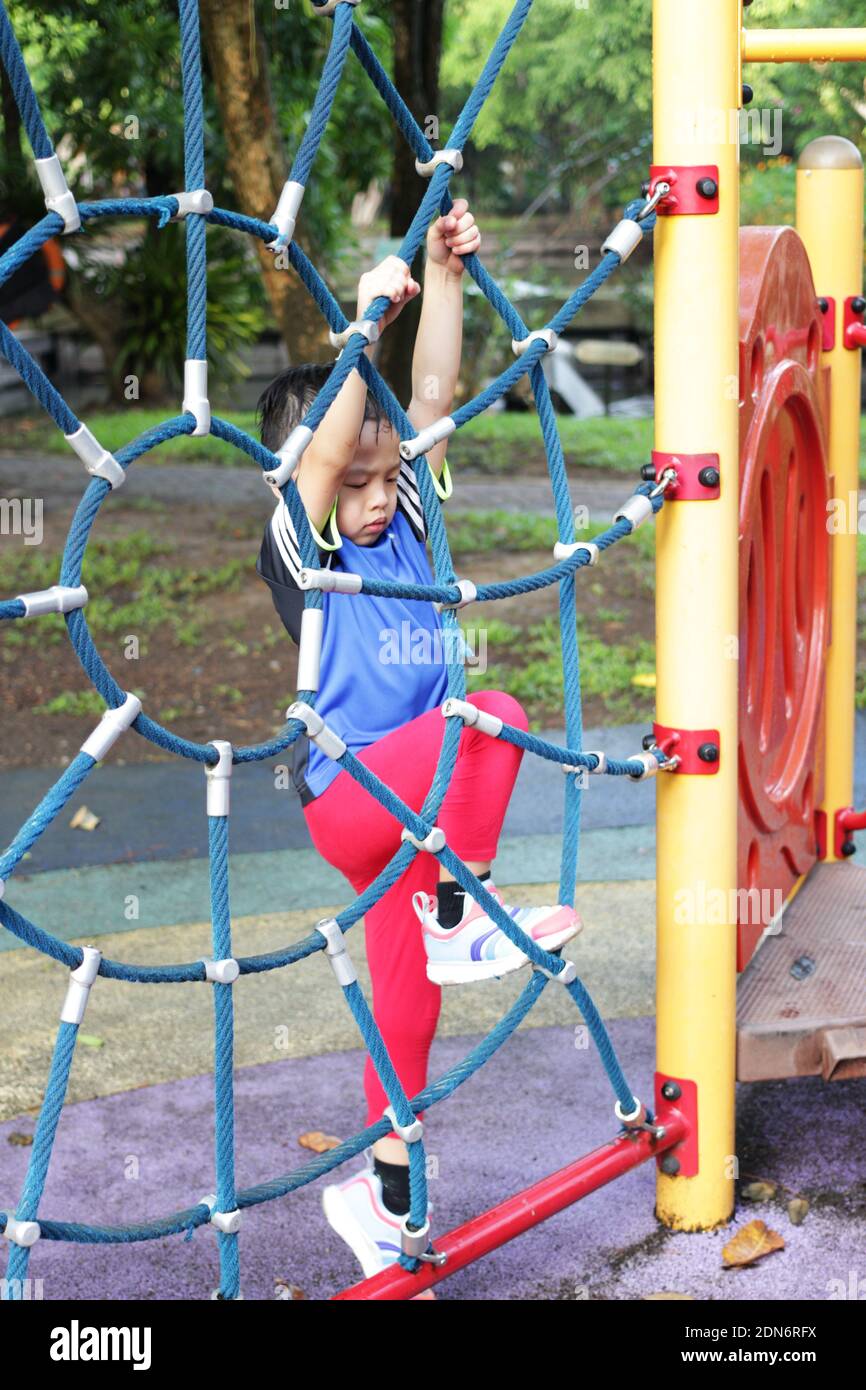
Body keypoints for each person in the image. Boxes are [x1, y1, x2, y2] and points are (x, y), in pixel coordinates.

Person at [255, 199, 581, 1283]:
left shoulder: (407, 515)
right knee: (497, 716)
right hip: (351, 792)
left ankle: (381, 1198)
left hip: (420, 820)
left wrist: (440, 279)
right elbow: (328, 455)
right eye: (356, 477)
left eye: (389, 475)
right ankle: (463, 906)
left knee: (406, 1015)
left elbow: (425, 406)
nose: (376, 494)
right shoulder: (299, 545)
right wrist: (364, 332)